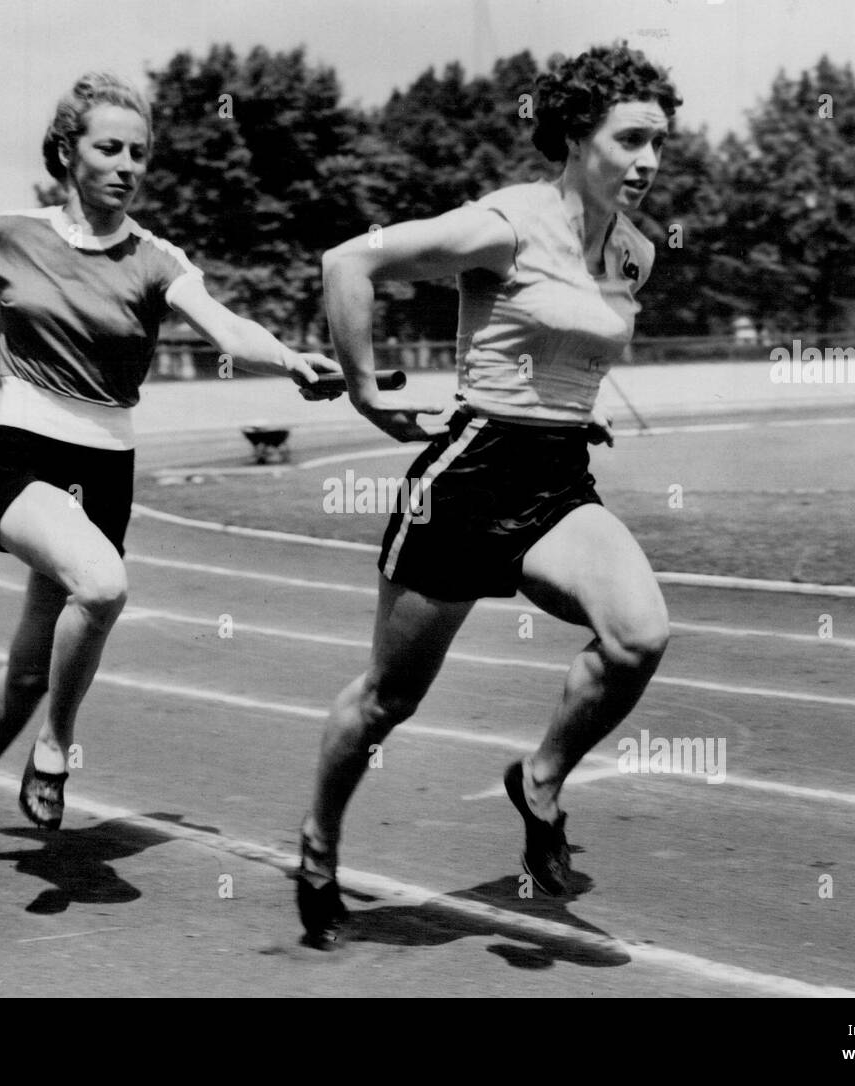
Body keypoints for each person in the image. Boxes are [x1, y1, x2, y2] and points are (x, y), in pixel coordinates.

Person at [0, 72, 339, 864]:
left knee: (27, 671)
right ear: (66, 151)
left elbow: (228, 329)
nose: (126, 165)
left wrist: (289, 358)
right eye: (108, 148)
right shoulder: (13, 234)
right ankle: (56, 749)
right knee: (105, 585)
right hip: (25, 458)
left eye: (139, 153)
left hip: (106, 470)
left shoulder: (156, 259)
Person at [296, 43, 681, 943]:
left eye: (661, 143)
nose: (650, 162)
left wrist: (574, 411)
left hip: (557, 481)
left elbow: (570, 352)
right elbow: (348, 262)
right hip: (467, 479)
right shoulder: (505, 222)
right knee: (392, 698)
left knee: (638, 637)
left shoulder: (635, 252)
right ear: (576, 136)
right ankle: (320, 840)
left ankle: (540, 778)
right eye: (631, 139)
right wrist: (365, 389)